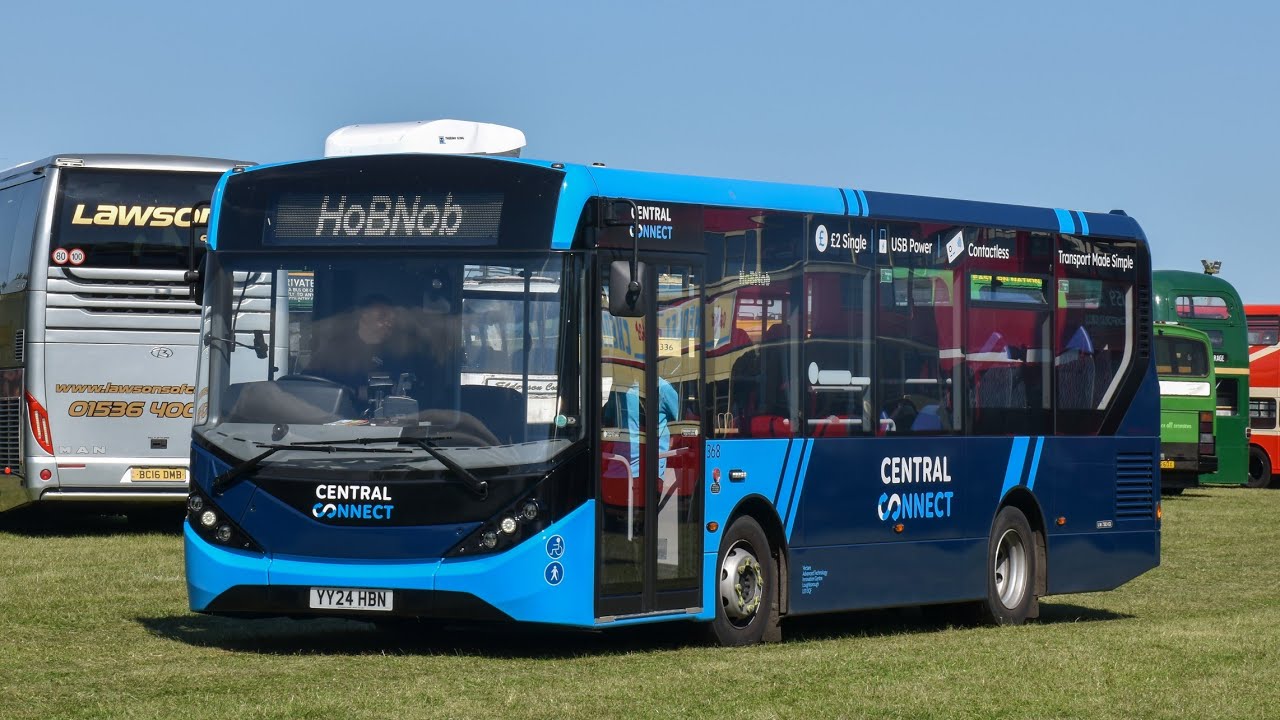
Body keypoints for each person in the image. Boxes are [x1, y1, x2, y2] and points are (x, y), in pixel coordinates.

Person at [306, 295, 414, 401]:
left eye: (391, 320)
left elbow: (401, 389)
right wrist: (352, 392)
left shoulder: (396, 354)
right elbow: (309, 383)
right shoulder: (335, 348)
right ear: (364, 314)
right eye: (382, 316)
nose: (388, 323)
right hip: (337, 414)